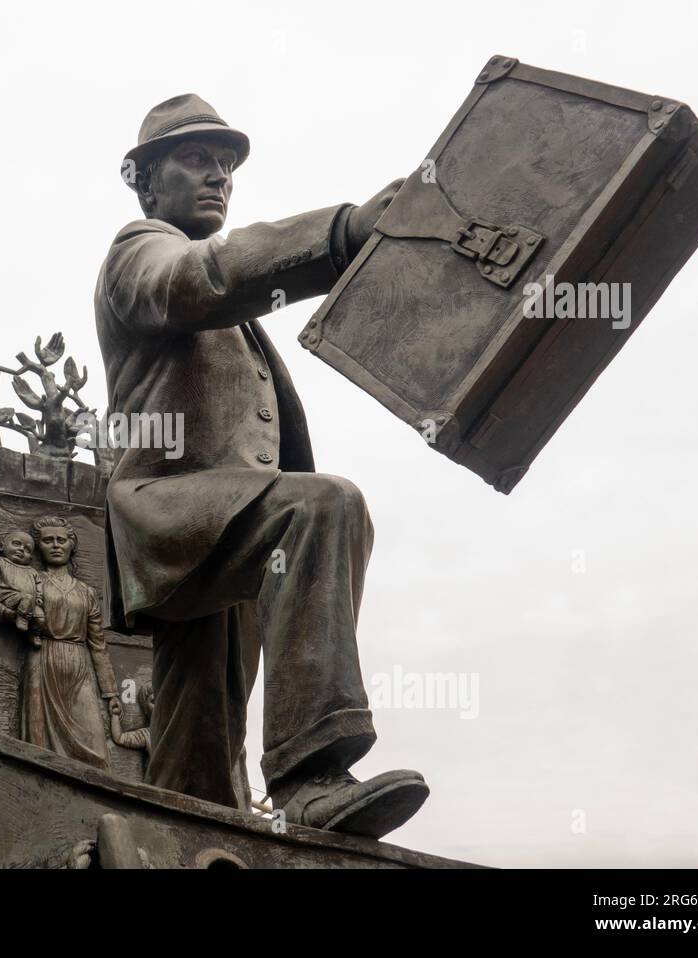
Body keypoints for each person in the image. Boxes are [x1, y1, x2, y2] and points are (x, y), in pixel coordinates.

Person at [93, 94, 428, 837]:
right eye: (196, 160)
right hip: (173, 512)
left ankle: (188, 837)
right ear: (147, 182)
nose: (218, 177)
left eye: (226, 166)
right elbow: (202, 279)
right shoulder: (137, 251)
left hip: (227, 537)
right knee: (321, 507)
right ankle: (310, 774)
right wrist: (342, 232)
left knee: (199, 738)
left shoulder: (238, 317)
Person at [16, 515, 119, 769]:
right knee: (40, 743)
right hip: (42, 659)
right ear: (39, 546)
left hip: (79, 665)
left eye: (61, 540)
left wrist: (111, 691)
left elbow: (98, 644)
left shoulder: (86, 592)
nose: (55, 545)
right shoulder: (32, 580)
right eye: (48, 540)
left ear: (71, 545)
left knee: (95, 744)